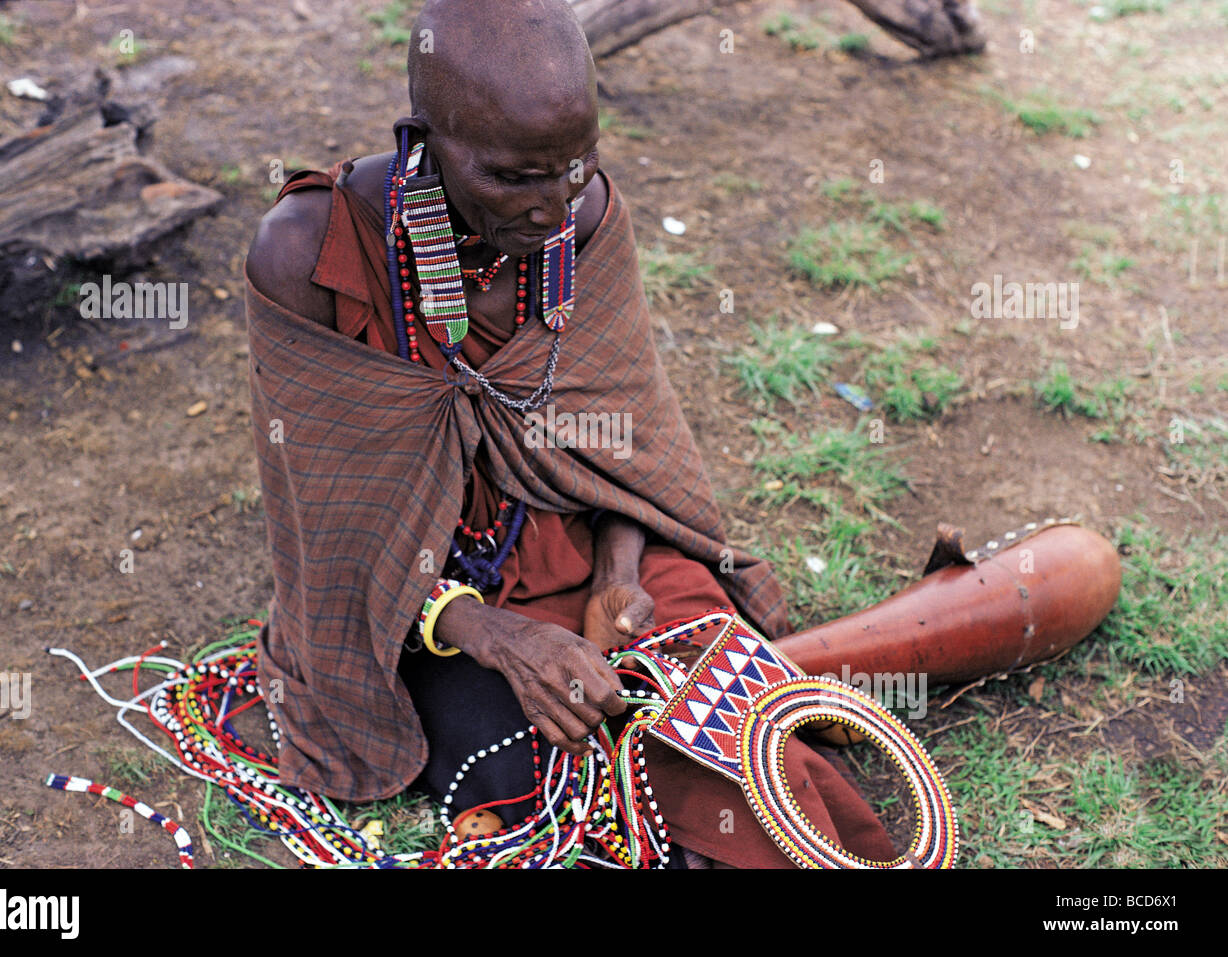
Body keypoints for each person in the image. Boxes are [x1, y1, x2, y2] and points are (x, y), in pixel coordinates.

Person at [242, 0, 895, 867]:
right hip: (418, 604)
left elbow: (625, 448)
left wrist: (618, 579)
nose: (551, 208)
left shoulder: (583, 222)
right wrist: (498, 635)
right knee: (554, 756)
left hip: (573, 538)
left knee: (700, 677)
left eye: (575, 169)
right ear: (422, 139)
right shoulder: (307, 254)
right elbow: (329, 529)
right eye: (513, 178)